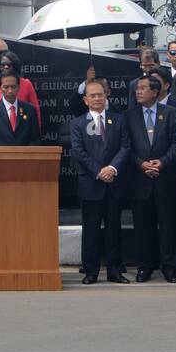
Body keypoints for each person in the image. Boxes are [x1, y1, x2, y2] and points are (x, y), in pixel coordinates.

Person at [69, 78, 128, 284]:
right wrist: (99, 171)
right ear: (85, 100)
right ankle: (91, 271)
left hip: (114, 183)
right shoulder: (77, 123)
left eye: (100, 95)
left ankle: (114, 270)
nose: (97, 99)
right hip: (91, 184)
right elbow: (79, 151)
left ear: (106, 96)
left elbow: (125, 147)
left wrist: (112, 168)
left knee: (114, 229)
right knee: (91, 229)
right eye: (92, 96)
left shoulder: (118, 120)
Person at [125, 75, 176, 283]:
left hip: (165, 178)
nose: (138, 91)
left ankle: (169, 267)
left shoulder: (171, 114)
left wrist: (163, 162)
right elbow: (126, 147)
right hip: (140, 180)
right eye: (137, 88)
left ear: (155, 92)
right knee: (142, 226)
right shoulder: (129, 116)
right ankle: (145, 266)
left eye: (143, 88)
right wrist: (141, 163)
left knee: (168, 225)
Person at [0, 51, 42, 129]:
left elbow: (36, 112)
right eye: (3, 65)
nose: (6, 67)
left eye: (9, 65)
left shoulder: (26, 84)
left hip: (22, 131)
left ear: (15, 66)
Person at [0, 71, 40, 146]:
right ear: (0, 89)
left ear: (18, 88)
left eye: (13, 87)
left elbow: (35, 139)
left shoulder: (30, 109)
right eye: (6, 87)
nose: (10, 91)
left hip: (24, 156)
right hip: (0, 156)